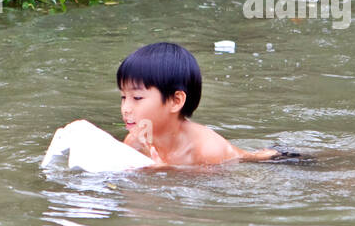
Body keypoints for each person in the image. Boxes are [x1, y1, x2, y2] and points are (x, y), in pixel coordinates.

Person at [118, 42, 279, 166]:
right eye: (123, 97)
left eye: (137, 98)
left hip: (267, 162)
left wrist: (161, 171)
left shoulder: (207, 151)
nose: (126, 108)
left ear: (176, 101)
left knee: (272, 157)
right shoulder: (134, 141)